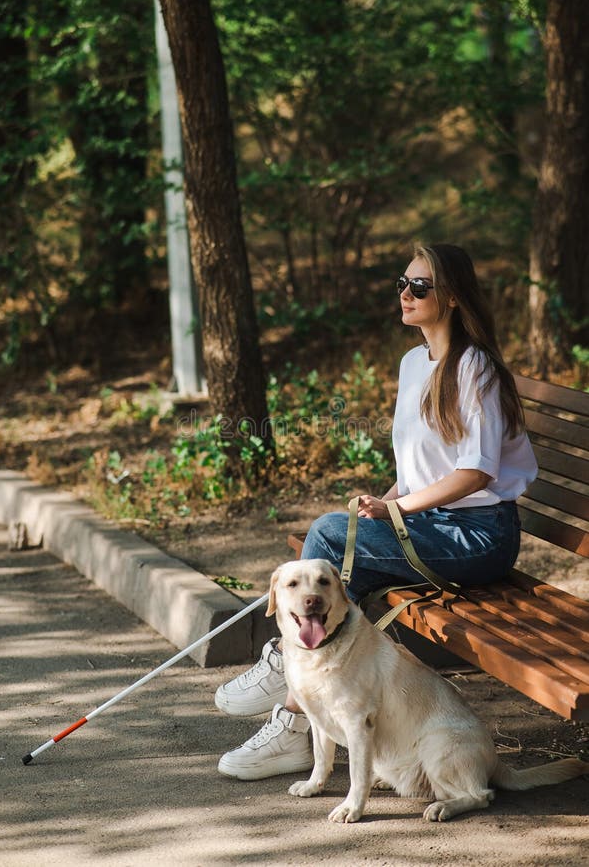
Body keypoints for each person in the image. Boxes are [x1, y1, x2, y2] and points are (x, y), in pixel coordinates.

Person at [215, 243, 538, 781]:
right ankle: (304, 703)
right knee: (340, 552)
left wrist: (396, 511)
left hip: (478, 536)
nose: (406, 296)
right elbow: (418, 471)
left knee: (327, 534)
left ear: (453, 298)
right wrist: (386, 505)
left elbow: (476, 474)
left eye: (420, 287)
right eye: (402, 284)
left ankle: (291, 685)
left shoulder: (475, 367)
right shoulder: (413, 363)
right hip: (430, 525)